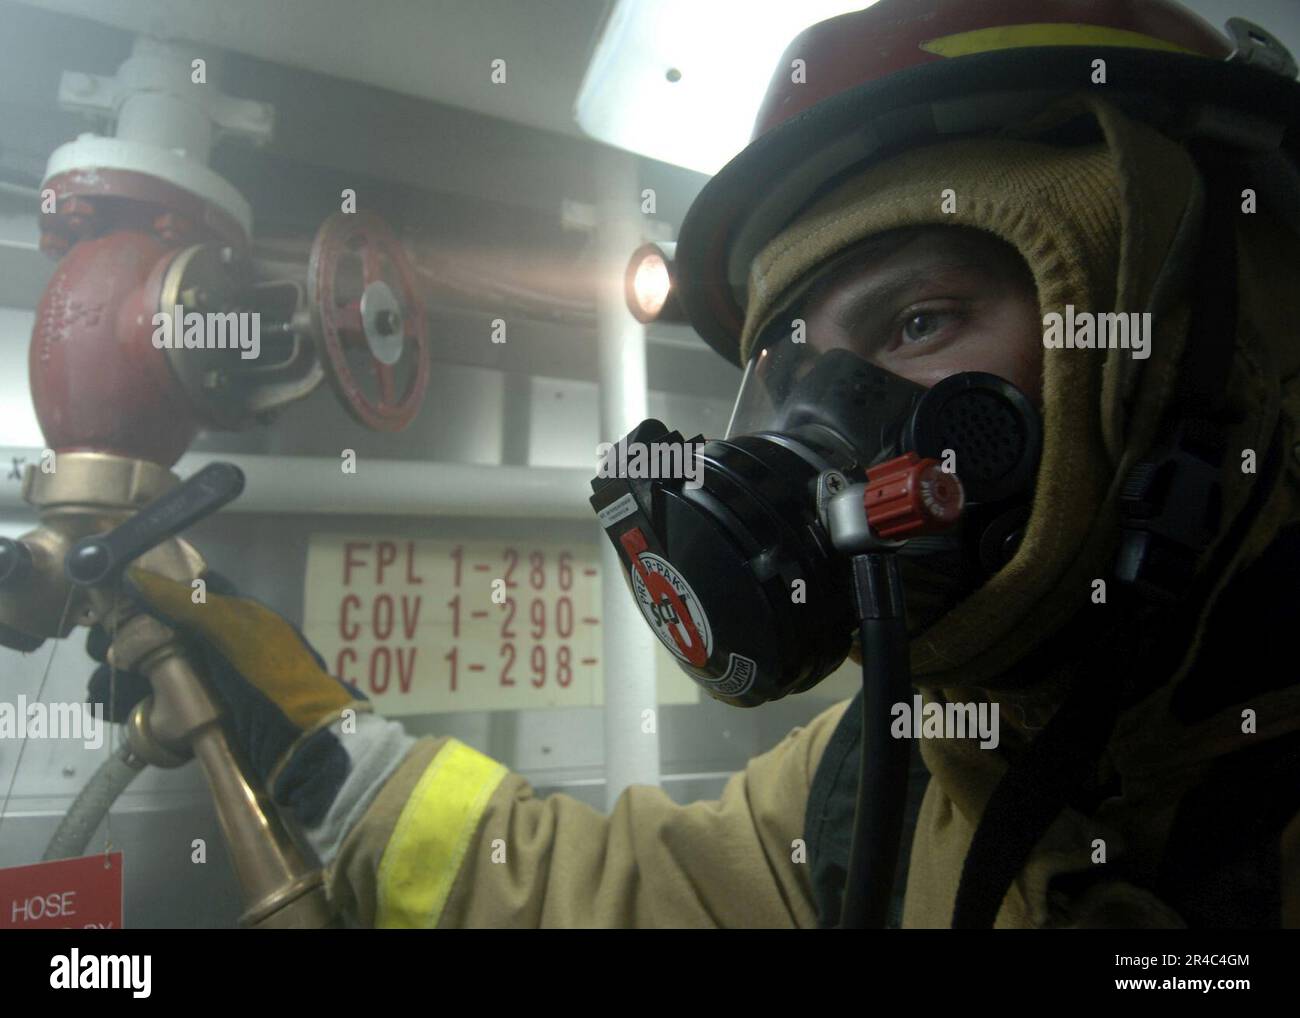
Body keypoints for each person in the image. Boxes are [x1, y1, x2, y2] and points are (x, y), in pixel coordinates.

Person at [95, 0, 1300, 928]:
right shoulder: (870, 788)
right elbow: (593, 894)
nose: (822, 425)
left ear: (1193, 342)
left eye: (919, 322)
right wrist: (310, 740)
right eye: (792, 368)